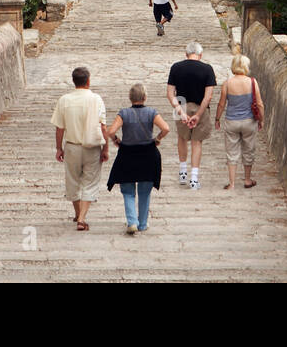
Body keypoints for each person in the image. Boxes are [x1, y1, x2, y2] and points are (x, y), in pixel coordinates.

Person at [106, 84, 170, 235]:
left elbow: (111, 131)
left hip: (127, 154)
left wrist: (116, 140)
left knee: (127, 191)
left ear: (130, 98)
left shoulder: (124, 113)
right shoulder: (151, 112)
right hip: (147, 154)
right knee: (144, 191)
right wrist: (158, 139)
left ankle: (132, 221)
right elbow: (166, 128)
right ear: (145, 97)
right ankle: (142, 223)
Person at [51, 66, 109, 231]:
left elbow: (59, 128)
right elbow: (103, 127)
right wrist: (105, 149)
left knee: (73, 181)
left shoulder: (64, 100)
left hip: (72, 147)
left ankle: (78, 214)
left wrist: (58, 148)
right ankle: (82, 218)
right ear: (88, 81)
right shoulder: (96, 99)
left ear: (73, 81)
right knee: (90, 182)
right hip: (92, 147)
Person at [167, 41, 216, 190]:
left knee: (182, 138)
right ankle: (194, 178)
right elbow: (208, 97)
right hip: (200, 107)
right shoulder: (207, 69)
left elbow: (170, 94)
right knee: (197, 141)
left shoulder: (176, 67)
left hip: (182, 105)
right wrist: (199, 115)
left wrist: (181, 112)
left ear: (186, 54)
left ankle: (183, 171)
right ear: (200, 55)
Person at [215, 54, 265, 190]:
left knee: (231, 152)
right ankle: (247, 179)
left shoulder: (227, 83)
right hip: (249, 121)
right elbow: (259, 104)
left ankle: (231, 183)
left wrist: (217, 118)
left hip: (232, 121)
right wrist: (261, 119)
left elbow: (221, 104)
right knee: (249, 150)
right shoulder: (252, 82)